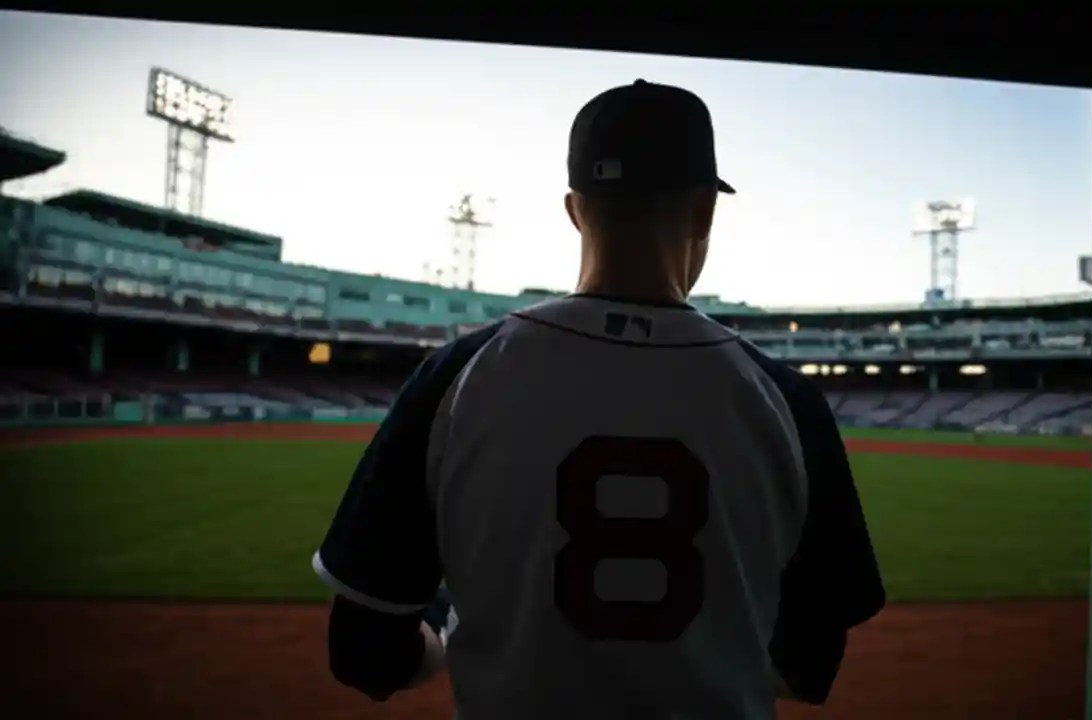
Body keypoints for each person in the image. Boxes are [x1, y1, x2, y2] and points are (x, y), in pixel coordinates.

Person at [311, 79, 885, 718]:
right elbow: (809, 666)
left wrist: (450, 636)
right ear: (705, 211)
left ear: (575, 208)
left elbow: (363, 652)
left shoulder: (459, 375)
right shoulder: (784, 399)